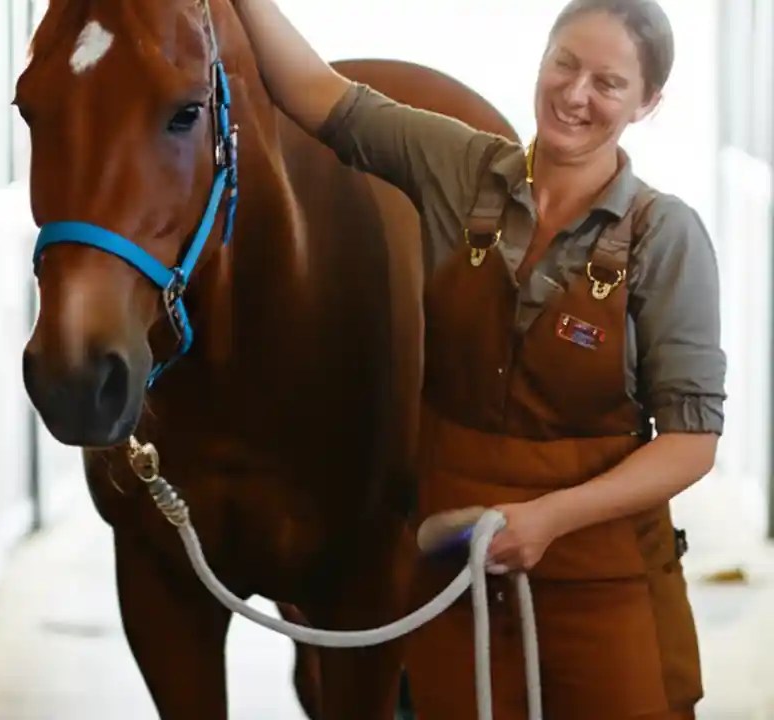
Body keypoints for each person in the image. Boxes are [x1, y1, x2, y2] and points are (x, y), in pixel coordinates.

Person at [232, 0, 726, 718]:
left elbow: (691, 444)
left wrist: (549, 519)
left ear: (648, 102)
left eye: (609, 83)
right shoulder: (459, 168)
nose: (576, 93)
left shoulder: (666, 236)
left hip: (603, 584)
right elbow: (318, 95)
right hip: (453, 576)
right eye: (565, 63)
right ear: (543, 58)